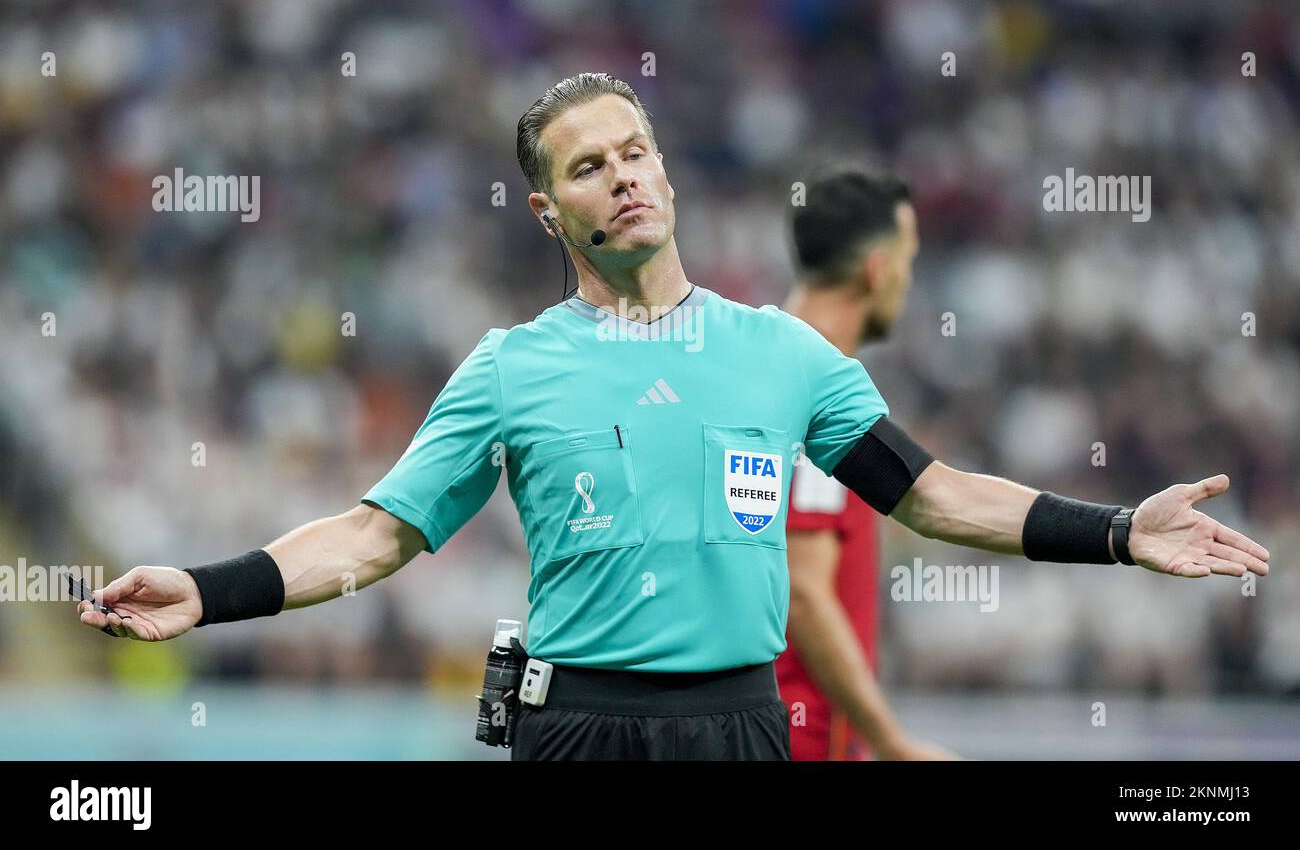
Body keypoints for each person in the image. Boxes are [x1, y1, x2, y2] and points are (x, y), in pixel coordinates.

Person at [79, 73, 1270, 761]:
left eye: (636, 150)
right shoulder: (509, 368)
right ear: (550, 213)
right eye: (589, 167)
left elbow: (936, 493)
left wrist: (1117, 530)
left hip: (740, 725)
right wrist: (211, 585)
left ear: (669, 168)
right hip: (576, 724)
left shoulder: (779, 353)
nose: (626, 175)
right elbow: (374, 532)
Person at [778, 169, 954, 760]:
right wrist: (895, 746)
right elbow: (804, 589)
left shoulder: (766, 365)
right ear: (877, 269)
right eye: (909, 258)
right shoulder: (810, 386)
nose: (908, 278)